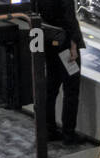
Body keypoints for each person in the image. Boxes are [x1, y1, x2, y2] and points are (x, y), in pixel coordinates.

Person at [35, 0, 84, 143]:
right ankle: (69, 133)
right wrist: (74, 45)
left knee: (51, 86)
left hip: (49, 40)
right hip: (65, 45)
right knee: (71, 89)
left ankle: (49, 129)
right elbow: (69, 18)